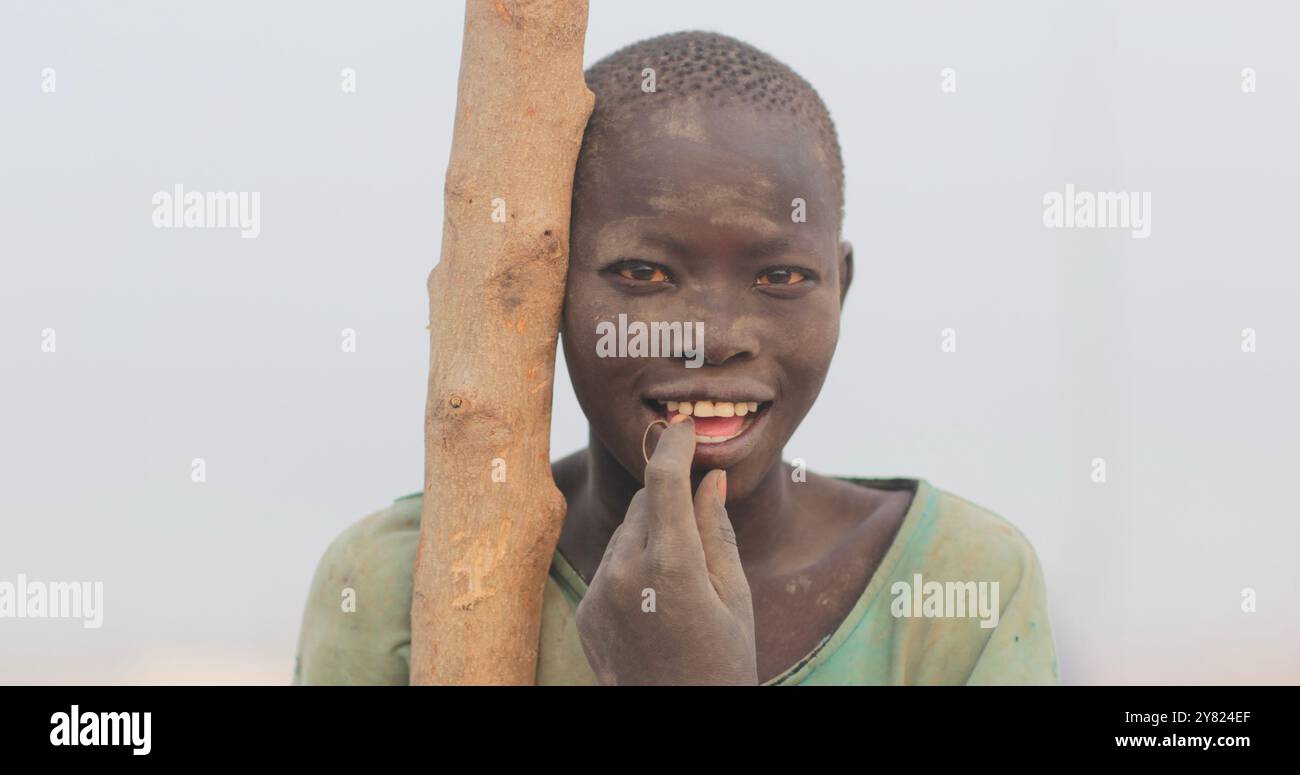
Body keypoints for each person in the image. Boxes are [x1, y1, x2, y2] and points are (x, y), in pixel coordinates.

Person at [293, 31, 1058, 685]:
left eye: (781, 277)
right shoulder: (403, 581)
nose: (712, 336)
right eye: (644, 274)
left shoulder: (958, 587)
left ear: (841, 287)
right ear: (553, 287)